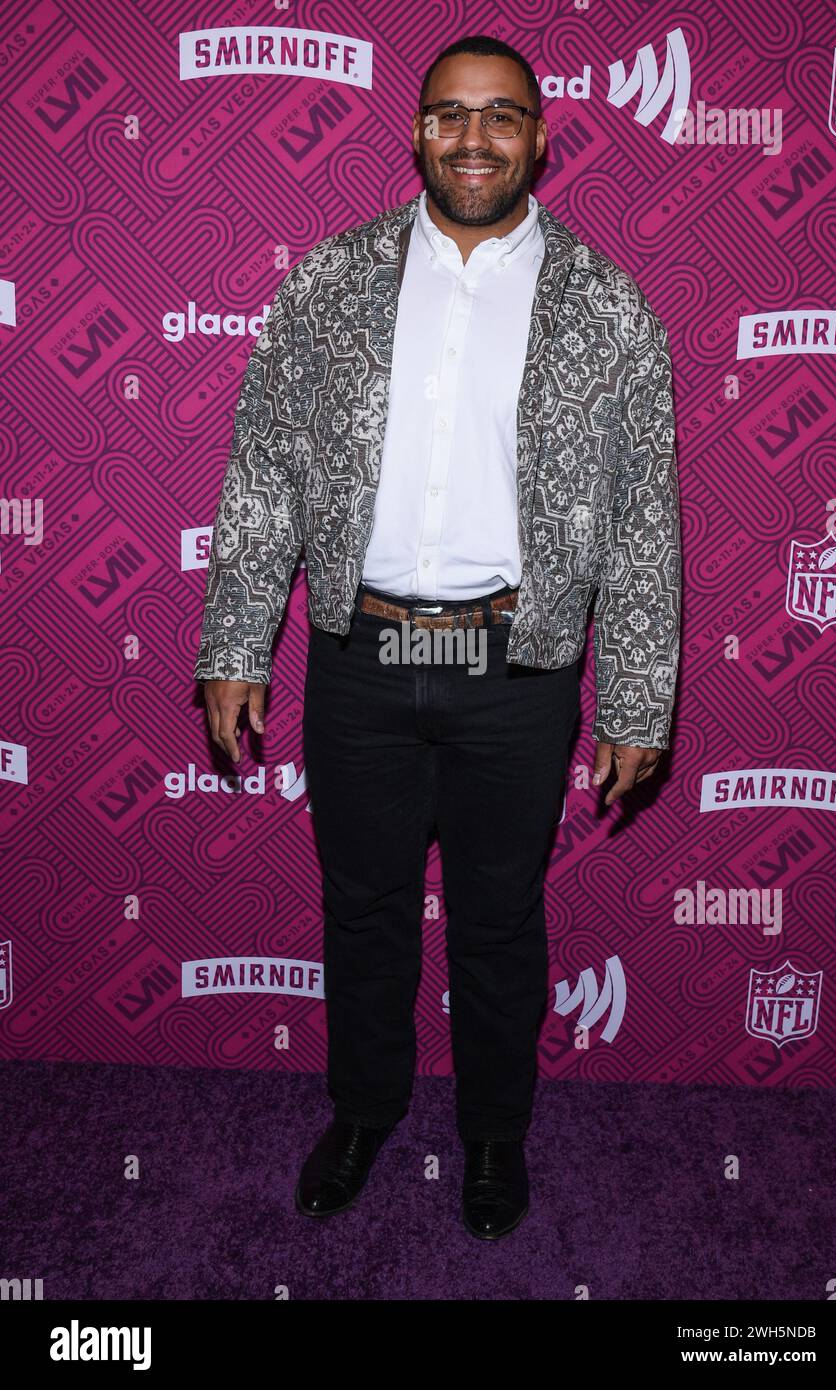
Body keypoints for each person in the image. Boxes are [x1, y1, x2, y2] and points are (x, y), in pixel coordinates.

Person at [194, 34, 681, 1240]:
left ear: (539, 137)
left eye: (501, 115)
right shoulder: (328, 281)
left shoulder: (606, 305)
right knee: (359, 906)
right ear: (415, 132)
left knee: (499, 916)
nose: (474, 138)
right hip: (362, 657)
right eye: (450, 115)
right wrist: (235, 643)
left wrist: (635, 702)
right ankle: (362, 1111)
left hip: (512, 668)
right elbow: (261, 470)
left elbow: (642, 517)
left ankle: (491, 1137)